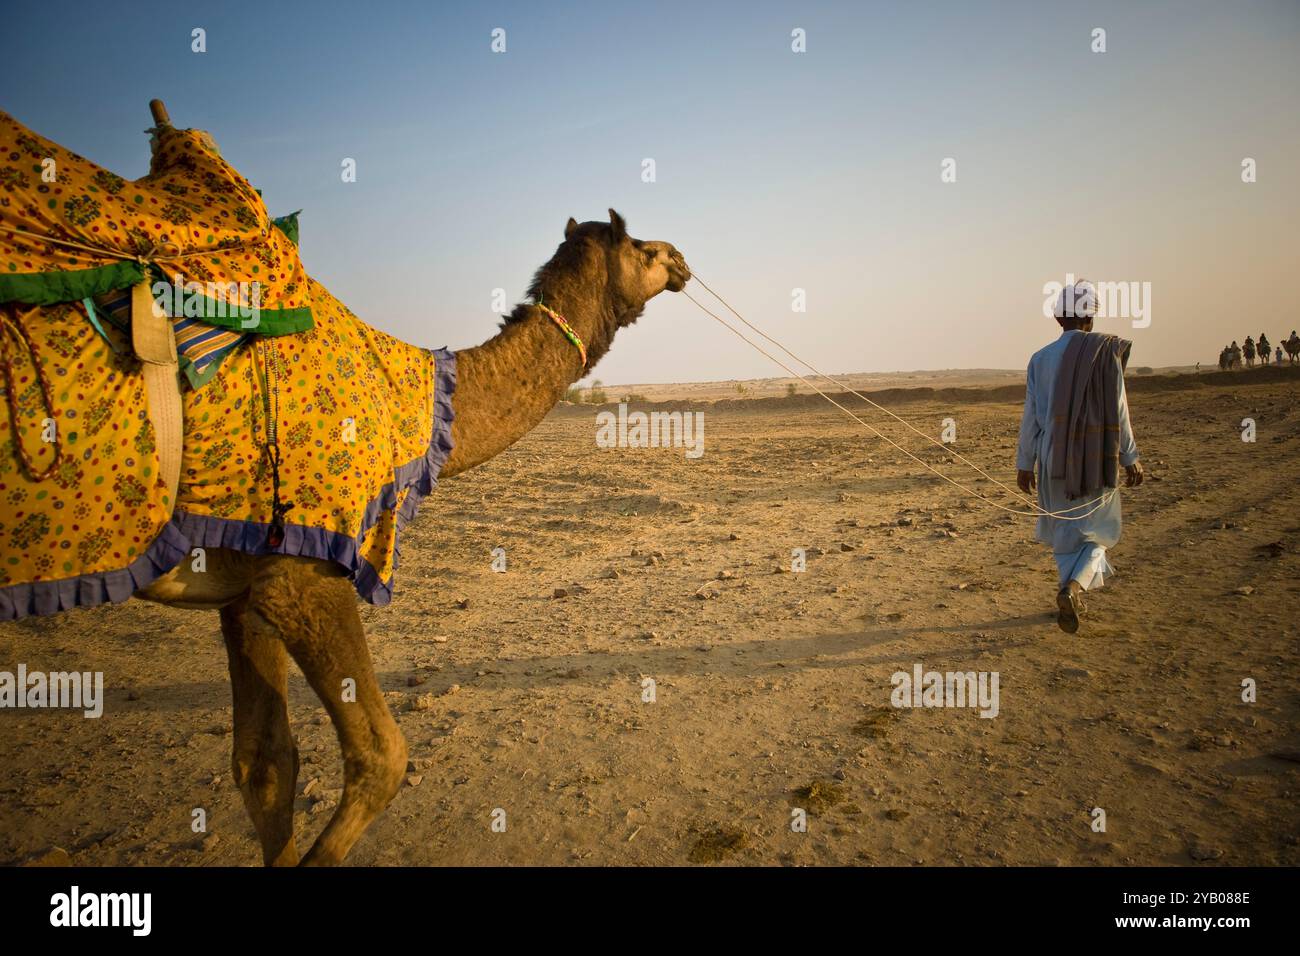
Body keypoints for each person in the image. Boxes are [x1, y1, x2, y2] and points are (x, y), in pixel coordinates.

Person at [1016, 280, 1143, 633]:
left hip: (1052, 458)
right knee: (1099, 534)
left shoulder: (1040, 360)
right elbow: (1119, 409)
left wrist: (1025, 463)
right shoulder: (1105, 354)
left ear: (1058, 318)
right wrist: (1129, 456)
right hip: (1095, 457)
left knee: (1065, 534)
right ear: (1091, 318)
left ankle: (1068, 593)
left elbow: (1031, 417)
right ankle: (1073, 589)